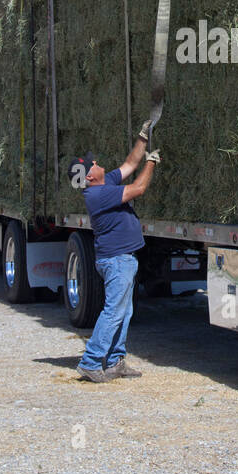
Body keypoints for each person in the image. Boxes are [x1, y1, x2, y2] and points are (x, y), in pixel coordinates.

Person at [73, 121, 160, 382]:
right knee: (113, 311)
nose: (97, 162)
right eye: (93, 164)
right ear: (89, 176)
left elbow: (130, 164)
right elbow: (139, 188)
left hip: (122, 259)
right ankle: (90, 361)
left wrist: (143, 139)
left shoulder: (104, 183)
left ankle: (115, 362)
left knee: (124, 311)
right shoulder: (98, 196)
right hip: (116, 261)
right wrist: (152, 162)